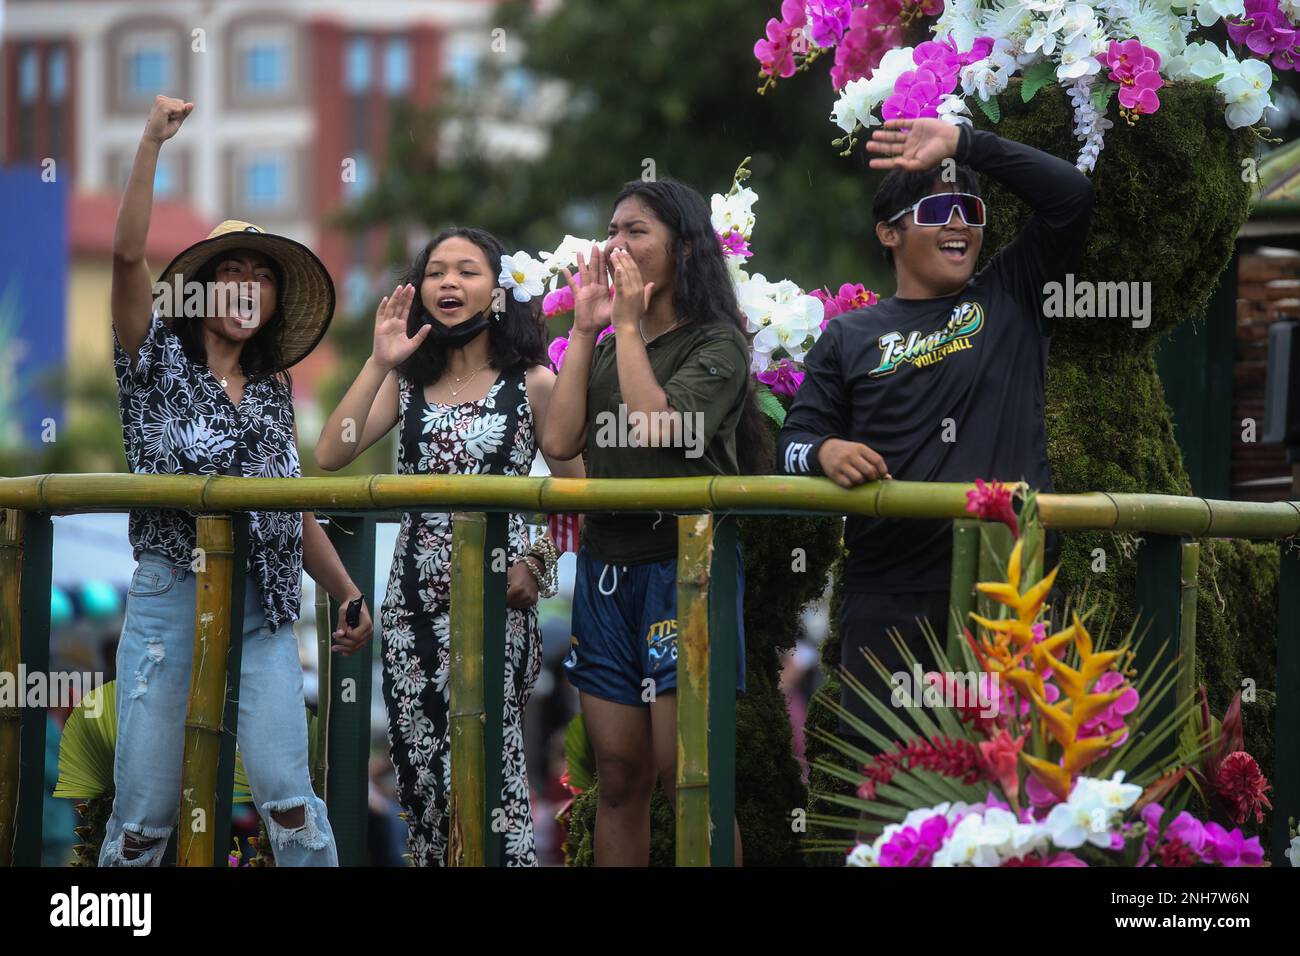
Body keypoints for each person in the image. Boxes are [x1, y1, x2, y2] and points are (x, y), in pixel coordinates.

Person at [103, 95, 373, 866]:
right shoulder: (151, 358)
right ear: (198, 291)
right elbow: (126, 259)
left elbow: (287, 509)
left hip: (264, 604)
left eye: (262, 276)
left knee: (289, 803)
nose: (248, 286)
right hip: (171, 594)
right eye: (232, 274)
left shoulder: (273, 388)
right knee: (144, 819)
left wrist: (347, 591)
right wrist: (151, 140)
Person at [776, 117, 1093, 745]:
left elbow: (1073, 196)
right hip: (888, 597)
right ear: (889, 232)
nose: (960, 223)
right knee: (890, 795)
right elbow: (789, 447)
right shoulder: (848, 336)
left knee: (1005, 795)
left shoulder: (1010, 294)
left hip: (1008, 591)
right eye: (939, 208)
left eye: (970, 208)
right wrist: (825, 452)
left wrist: (966, 144)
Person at [315, 226, 584, 866]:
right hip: (410, 604)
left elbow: (580, 499)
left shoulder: (535, 383)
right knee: (418, 772)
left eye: (467, 271)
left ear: (498, 290)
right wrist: (380, 359)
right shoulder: (405, 382)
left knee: (491, 764)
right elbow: (330, 453)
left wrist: (537, 564)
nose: (449, 284)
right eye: (436, 272)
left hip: (498, 602)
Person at [541, 178, 770, 866]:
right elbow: (558, 444)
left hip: (685, 570)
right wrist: (587, 331)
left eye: (636, 231)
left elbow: (656, 427)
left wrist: (630, 329)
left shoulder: (719, 345)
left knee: (687, 775)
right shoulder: (610, 346)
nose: (617, 245)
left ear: (686, 247)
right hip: (607, 572)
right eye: (612, 230)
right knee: (617, 778)